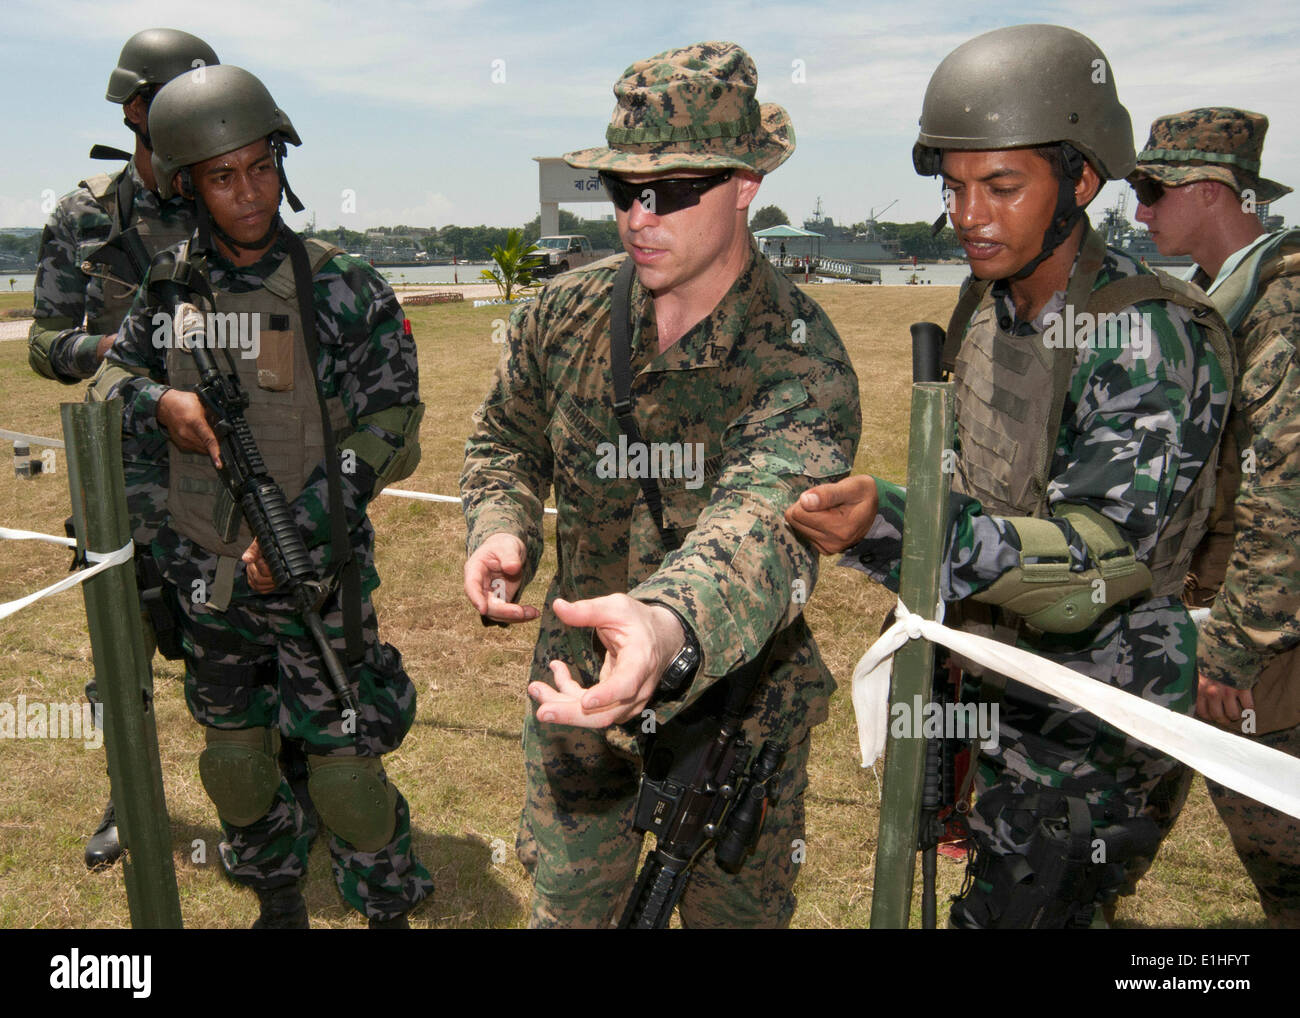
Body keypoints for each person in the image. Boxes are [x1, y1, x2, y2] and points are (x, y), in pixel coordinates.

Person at [786, 24, 1233, 928]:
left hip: (1095, 708)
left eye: (1002, 186)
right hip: (990, 672)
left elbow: (1090, 567)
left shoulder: (1147, 337)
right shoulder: (987, 308)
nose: (969, 216)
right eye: (954, 188)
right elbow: (978, 481)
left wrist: (892, 529)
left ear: (1080, 182)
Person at [461, 41, 861, 928]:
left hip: (737, 721)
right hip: (580, 713)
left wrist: (667, 623)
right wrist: (504, 528)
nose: (640, 216)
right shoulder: (563, 315)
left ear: (745, 185)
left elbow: (766, 518)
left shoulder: (800, 358)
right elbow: (504, 439)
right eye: (621, 191)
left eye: (673, 190)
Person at [94, 64, 432, 928]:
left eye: (261, 166)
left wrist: (315, 518)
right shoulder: (169, 291)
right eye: (221, 175)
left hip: (313, 564)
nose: (249, 192)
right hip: (210, 572)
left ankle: (386, 900)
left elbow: (395, 414)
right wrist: (159, 403)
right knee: (235, 760)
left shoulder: (343, 283)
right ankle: (277, 888)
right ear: (186, 185)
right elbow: (110, 382)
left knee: (345, 769)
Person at [29, 27, 220, 870]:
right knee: (119, 661)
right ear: (138, 110)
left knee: (238, 652)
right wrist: (110, 355)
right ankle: (127, 803)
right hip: (120, 486)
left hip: (218, 474)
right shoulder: (84, 216)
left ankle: (266, 808)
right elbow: (43, 342)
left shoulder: (227, 194)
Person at [1131, 107, 1300, 927]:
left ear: (1208, 190)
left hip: (1264, 639)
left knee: (1283, 843)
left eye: (1151, 189)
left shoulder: (1280, 309)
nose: (1139, 211)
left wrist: (1228, 656)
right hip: (1205, 615)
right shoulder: (1222, 299)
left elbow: (1287, 503)